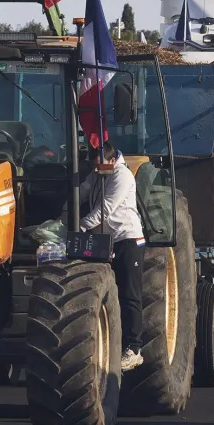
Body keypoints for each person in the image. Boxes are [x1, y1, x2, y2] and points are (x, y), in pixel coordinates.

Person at [80, 140, 146, 373]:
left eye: (100, 166)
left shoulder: (122, 176)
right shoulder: (99, 173)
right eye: (94, 167)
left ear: (110, 160)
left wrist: (81, 226)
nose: (97, 170)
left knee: (130, 294)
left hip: (128, 239)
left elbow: (105, 208)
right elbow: (84, 192)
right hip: (108, 240)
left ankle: (134, 349)